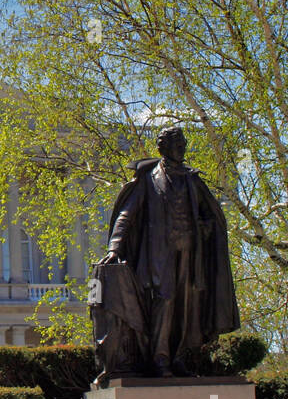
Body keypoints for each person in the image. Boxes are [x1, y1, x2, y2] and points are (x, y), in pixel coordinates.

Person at [91, 128, 239, 385]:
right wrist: (115, 247)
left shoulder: (192, 180)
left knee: (187, 305)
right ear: (163, 149)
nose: (181, 148)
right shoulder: (148, 180)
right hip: (159, 255)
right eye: (176, 144)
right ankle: (160, 358)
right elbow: (126, 215)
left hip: (190, 254)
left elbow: (210, 215)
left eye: (183, 144)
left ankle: (178, 357)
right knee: (165, 301)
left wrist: (205, 228)